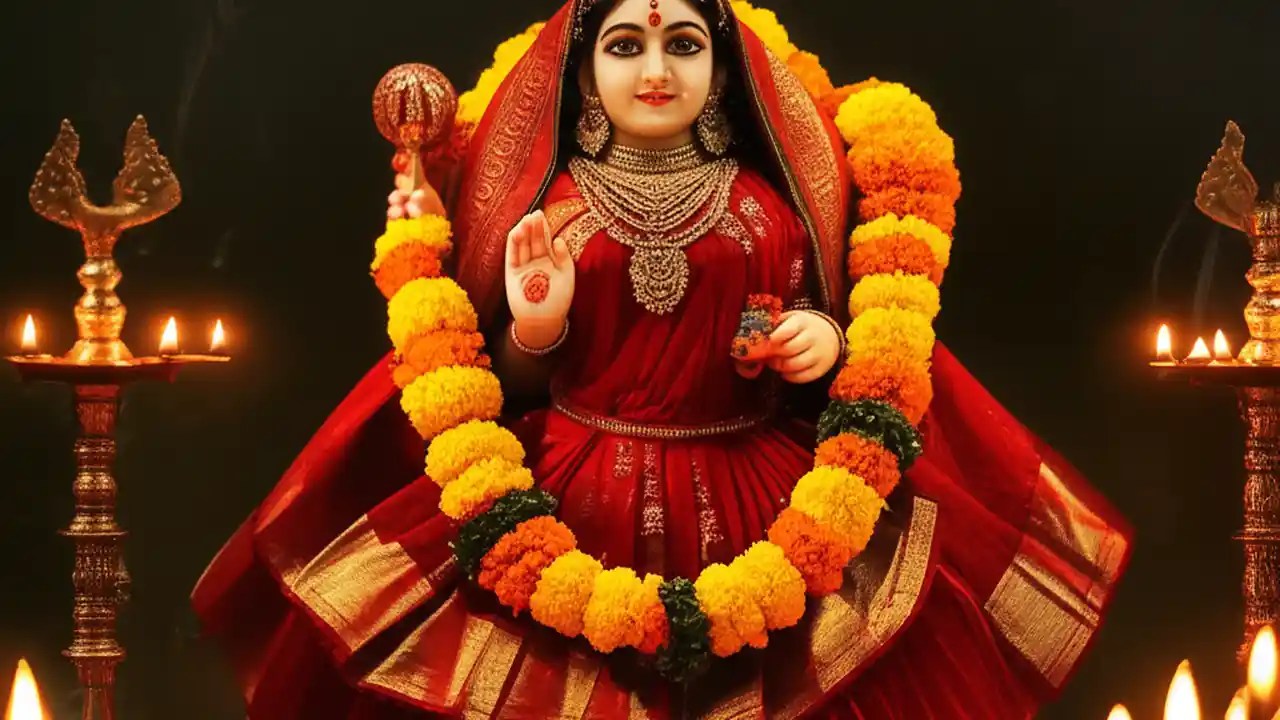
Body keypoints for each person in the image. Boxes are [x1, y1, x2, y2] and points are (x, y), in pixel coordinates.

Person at [192, 0, 1131, 717]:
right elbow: (507, 389)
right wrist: (538, 326)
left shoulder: (771, 205)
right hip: (570, 491)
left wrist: (823, 343)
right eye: (626, 46)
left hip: (759, 491)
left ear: (721, 75)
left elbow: (807, 329)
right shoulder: (548, 205)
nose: (655, 68)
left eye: (683, 45)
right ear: (583, 70)